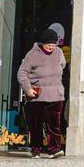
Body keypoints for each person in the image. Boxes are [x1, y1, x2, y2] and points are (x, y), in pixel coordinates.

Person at [18, 25, 67, 158]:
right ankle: (36, 149)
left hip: (56, 95)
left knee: (54, 125)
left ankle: (54, 149)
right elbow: (22, 73)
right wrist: (28, 88)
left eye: (53, 44)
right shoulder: (32, 54)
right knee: (36, 124)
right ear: (42, 43)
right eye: (48, 44)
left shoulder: (58, 52)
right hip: (37, 95)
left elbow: (62, 65)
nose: (51, 47)